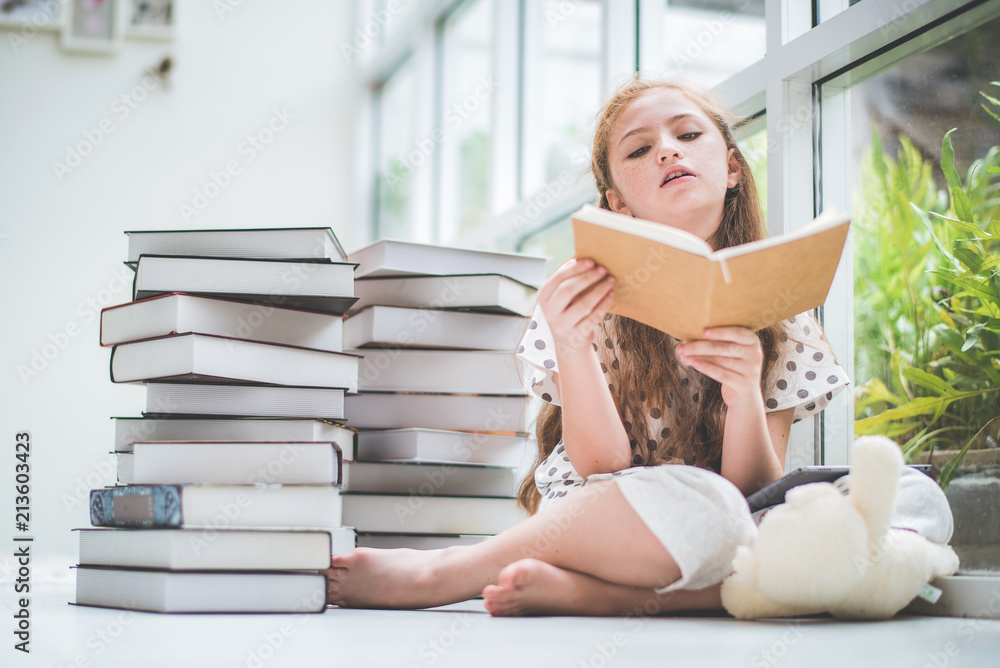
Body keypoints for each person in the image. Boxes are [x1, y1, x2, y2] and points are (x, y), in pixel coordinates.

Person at [325, 78, 940, 616]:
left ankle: (600, 600)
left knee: (916, 499)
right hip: (616, 517)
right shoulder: (584, 303)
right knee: (702, 505)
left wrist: (746, 396)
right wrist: (572, 342)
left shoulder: (783, 317)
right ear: (618, 204)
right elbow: (601, 468)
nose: (668, 149)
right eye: (641, 149)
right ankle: (441, 575)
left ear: (731, 169)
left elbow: (753, 489)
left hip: (728, 526)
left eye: (688, 135)